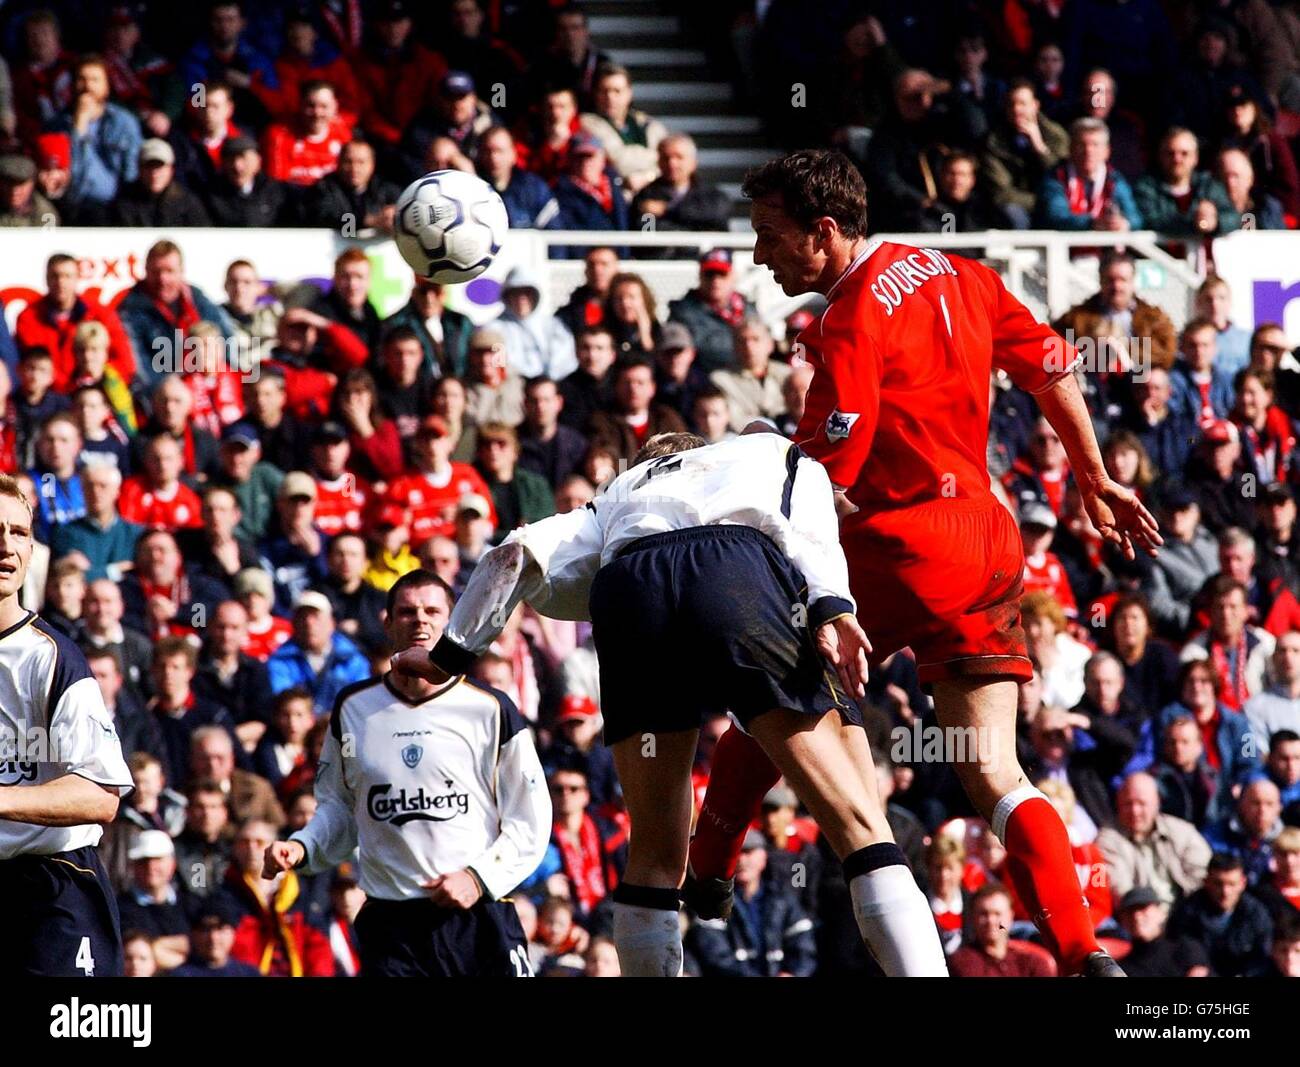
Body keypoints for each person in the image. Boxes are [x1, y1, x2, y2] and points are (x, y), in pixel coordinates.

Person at [692, 149, 1160, 977]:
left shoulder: (850, 319)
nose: (761, 254)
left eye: (770, 236)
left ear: (825, 233)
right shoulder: (961, 271)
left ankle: (705, 873)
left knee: (768, 683)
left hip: (908, 541)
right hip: (989, 533)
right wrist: (1093, 475)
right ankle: (1085, 947)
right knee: (994, 770)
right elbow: (1053, 363)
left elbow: (829, 472)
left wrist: (761, 453)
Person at [395, 431, 949, 978]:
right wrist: (833, 605)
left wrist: (449, 656)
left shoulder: (615, 494)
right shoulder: (756, 448)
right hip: (734, 569)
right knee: (857, 821)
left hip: (630, 590)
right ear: (698, 446)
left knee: (655, 854)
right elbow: (814, 508)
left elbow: (509, 556)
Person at [263, 570, 550, 977]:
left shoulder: (491, 708)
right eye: (407, 612)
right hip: (392, 927)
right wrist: (303, 846)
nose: (420, 620)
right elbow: (340, 810)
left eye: (433, 611)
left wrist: (479, 877)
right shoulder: (352, 710)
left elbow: (530, 819)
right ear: (387, 624)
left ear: (453, 623)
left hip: (477, 917)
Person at [0, 473, 133, 976]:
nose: (7, 546)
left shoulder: (51, 658)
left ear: (33, 551)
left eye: (19, 533)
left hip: (52, 892)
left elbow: (100, 796)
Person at [689, 830, 817, 977]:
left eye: (748, 852)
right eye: (736, 853)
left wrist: (793, 973)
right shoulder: (714, 902)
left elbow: (804, 948)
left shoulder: (784, 901)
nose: (742, 860)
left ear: (764, 857)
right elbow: (714, 955)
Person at [948, 884, 1057, 977]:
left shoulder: (1032, 963)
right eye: (983, 914)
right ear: (972, 917)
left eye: (997, 914)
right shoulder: (962, 964)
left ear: (1010, 916)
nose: (991, 920)